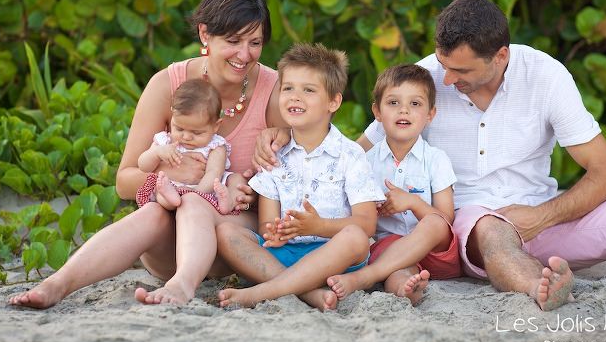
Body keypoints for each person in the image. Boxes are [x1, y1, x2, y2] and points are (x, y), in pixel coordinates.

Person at [254, 0, 606, 311]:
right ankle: (539, 289)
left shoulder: (545, 76)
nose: (446, 79)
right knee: (487, 225)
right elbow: (355, 149)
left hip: (543, 217)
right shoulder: (423, 79)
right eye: (443, 64)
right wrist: (283, 134)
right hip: (467, 225)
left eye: (460, 70)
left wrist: (541, 216)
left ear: (500, 56)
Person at [9, 0, 284, 308]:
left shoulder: (275, 88)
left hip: (237, 238)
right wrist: (170, 179)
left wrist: (250, 187)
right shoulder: (168, 85)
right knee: (153, 214)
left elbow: (300, 174)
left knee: (196, 205)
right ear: (204, 35)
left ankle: (182, 286)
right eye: (233, 40)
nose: (244, 54)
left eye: (255, 42)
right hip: (169, 243)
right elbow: (124, 180)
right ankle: (56, 285)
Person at [215, 43, 383, 311]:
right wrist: (276, 234)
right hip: (285, 255)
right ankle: (307, 292)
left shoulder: (350, 155)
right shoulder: (274, 155)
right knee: (226, 233)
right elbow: (267, 226)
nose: (295, 97)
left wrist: (316, 227)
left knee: (355, 238)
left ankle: (267, 291)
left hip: (333, 254)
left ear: (333, 101)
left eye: (308, 90)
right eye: (288, 88)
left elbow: (367, 224)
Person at [327, 64, 460, 305]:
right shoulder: (365, 162)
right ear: (377, 112)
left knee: (433, 222)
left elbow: (446, 219)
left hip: (434, 251)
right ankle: (406, 289)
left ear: (430, 114)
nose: (404, 111)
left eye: (415, 104)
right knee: (397, 270)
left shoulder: (436, 159)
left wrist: (413, 203)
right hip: (391, 249)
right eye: (393, 103)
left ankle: (364, 277)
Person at [136, 78, 247, 215]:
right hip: (173, 188)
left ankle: (227, 202)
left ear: (215, 126)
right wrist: (157, 153)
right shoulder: (165, 141)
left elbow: (214, 173)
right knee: (160, 191)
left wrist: (197, 193)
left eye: (197, 132)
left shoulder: (216, 146)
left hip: (207, 192)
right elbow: (143, 165)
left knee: (237, 179)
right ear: (172, 116)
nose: (186, 137)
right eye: (179, 128)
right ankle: (173, 200)